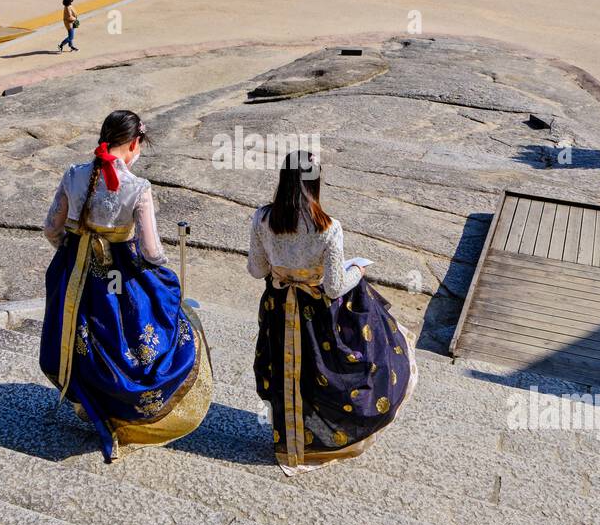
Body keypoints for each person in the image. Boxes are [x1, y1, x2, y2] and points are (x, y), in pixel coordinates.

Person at [38, 111, 212, 462]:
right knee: (127, 344)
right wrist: (159, 273)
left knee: (82, 340)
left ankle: (90, 404)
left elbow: (51, 228)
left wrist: (74, 256)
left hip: (75, 273)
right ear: (134, 144)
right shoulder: (138, 188)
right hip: (118, 276)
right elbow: (151, 251)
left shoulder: (74, 174)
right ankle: (125, 413)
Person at [247, 151, 417, 475]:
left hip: (278, 307)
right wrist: (359, 270)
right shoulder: (328, 227)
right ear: (314, 183)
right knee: (320, 375)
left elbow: (256, 270)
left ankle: (288, 440)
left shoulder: (262, 218)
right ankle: (318, 438)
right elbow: (334, 287)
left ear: (283, 180)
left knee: (285, 372)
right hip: (316, 316)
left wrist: (283, 269)